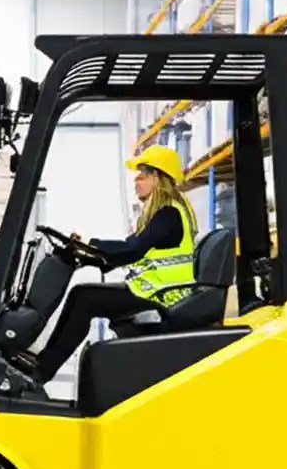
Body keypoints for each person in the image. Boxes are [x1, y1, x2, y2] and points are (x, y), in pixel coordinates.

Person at [13, 144, 198, 383]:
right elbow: (132, 250)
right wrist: (93, 257)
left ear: (158, 178)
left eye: (142, 175)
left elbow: (133, 249)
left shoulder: (168, 214)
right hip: (155, 292)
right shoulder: (165, 213)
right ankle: (43, 363)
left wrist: (92, 242)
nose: (136, 181)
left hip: (162, 297)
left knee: (85, 299)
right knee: (82, 294)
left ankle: (43, 370)